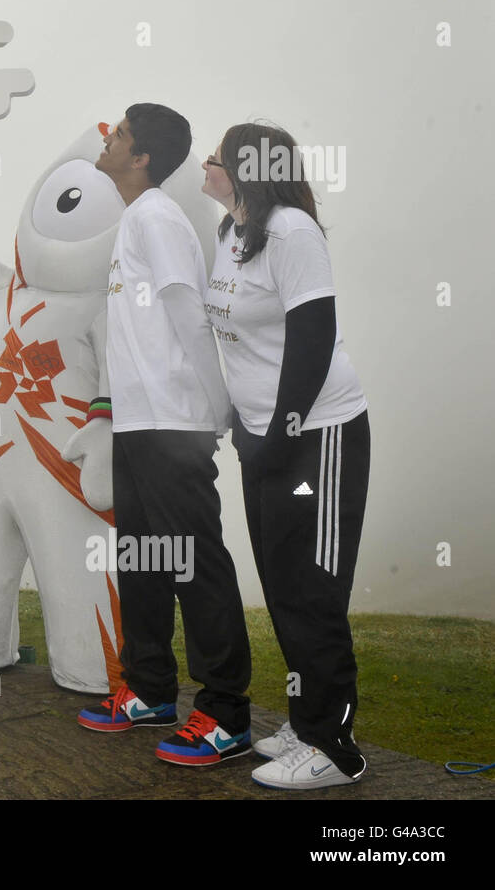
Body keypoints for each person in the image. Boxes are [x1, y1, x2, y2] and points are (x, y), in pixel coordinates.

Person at [76, 104, 253, 769]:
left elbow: (188, 310)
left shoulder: (156, 218)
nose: (108, 139)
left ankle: (227, 713)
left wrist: (214, 411)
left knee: (193, 562)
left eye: (119, 134)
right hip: (138, 423)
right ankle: (149, 689)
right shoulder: (134, 220)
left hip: (176, 425)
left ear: (143, 156)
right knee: (144, 559)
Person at [202, 122, 370, 790]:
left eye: (215, 158)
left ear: (245, 170)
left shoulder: (294, 232)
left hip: (317, 436)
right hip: (263, 438)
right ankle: (306, 724)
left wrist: (282, 431)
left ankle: (338, 748)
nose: (205, 167)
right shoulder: (232, 235)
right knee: (280, 580)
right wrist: (246, 428)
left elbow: (313, 338)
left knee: (312, 588)